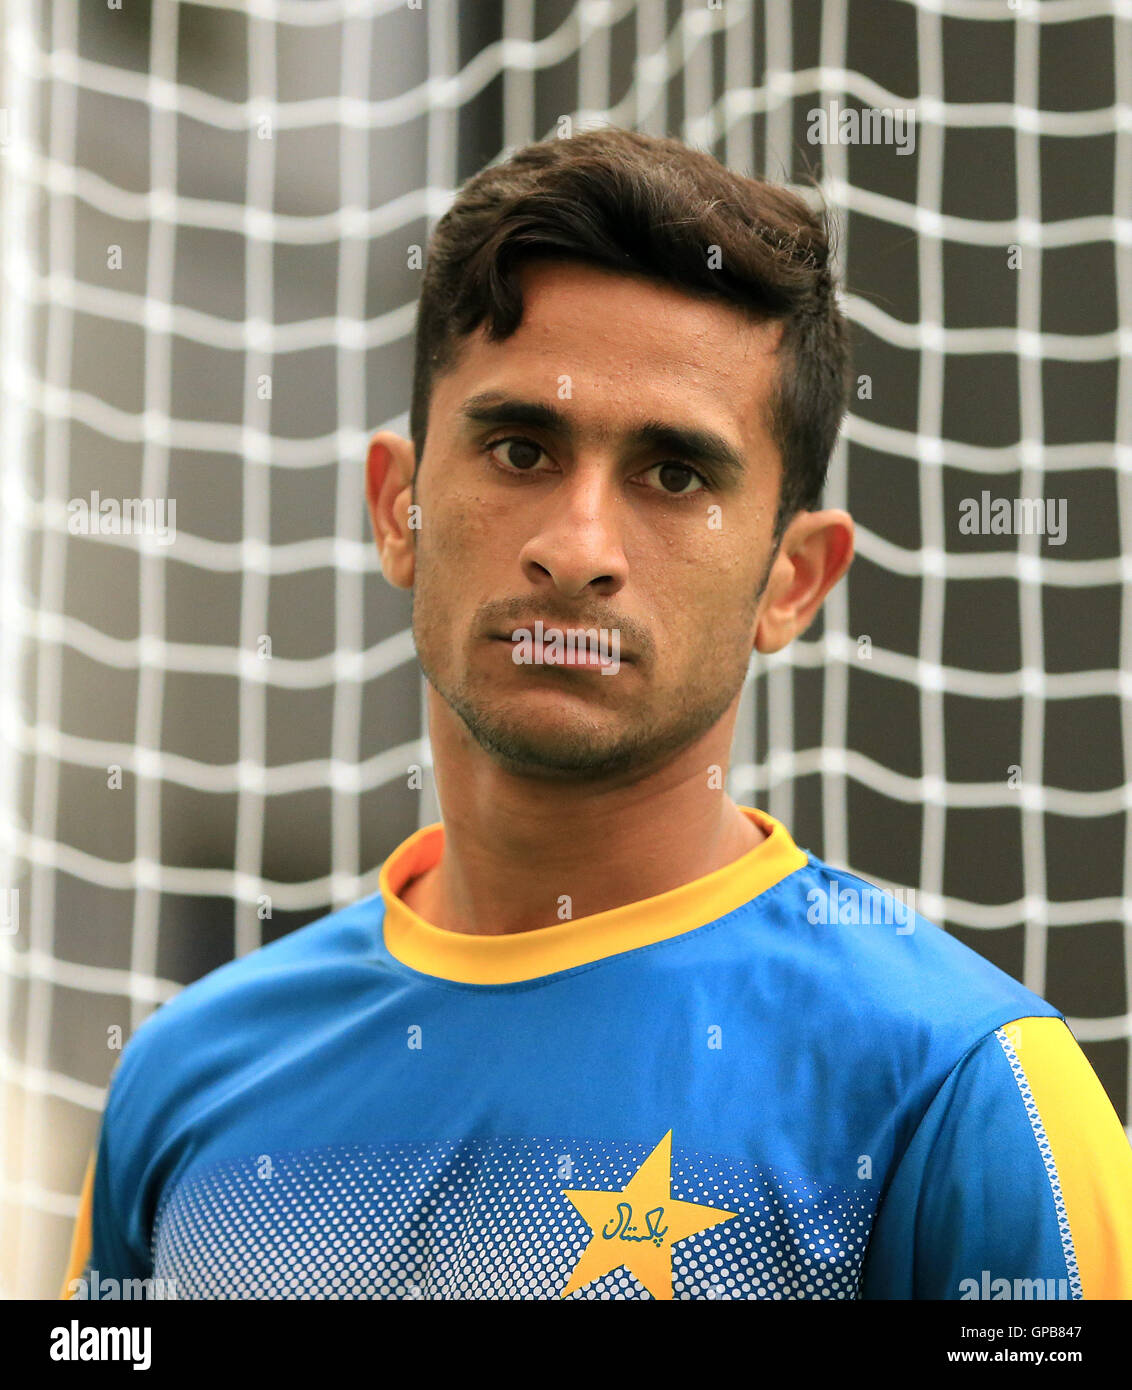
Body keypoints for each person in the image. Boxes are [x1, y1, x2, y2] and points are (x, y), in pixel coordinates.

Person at [61, 127, 1132, 1301]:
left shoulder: (962, 1091)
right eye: (520, 448)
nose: (576, 550)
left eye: (674, 476)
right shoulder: (187, 1077)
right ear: (397, 508)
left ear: (792, 582)